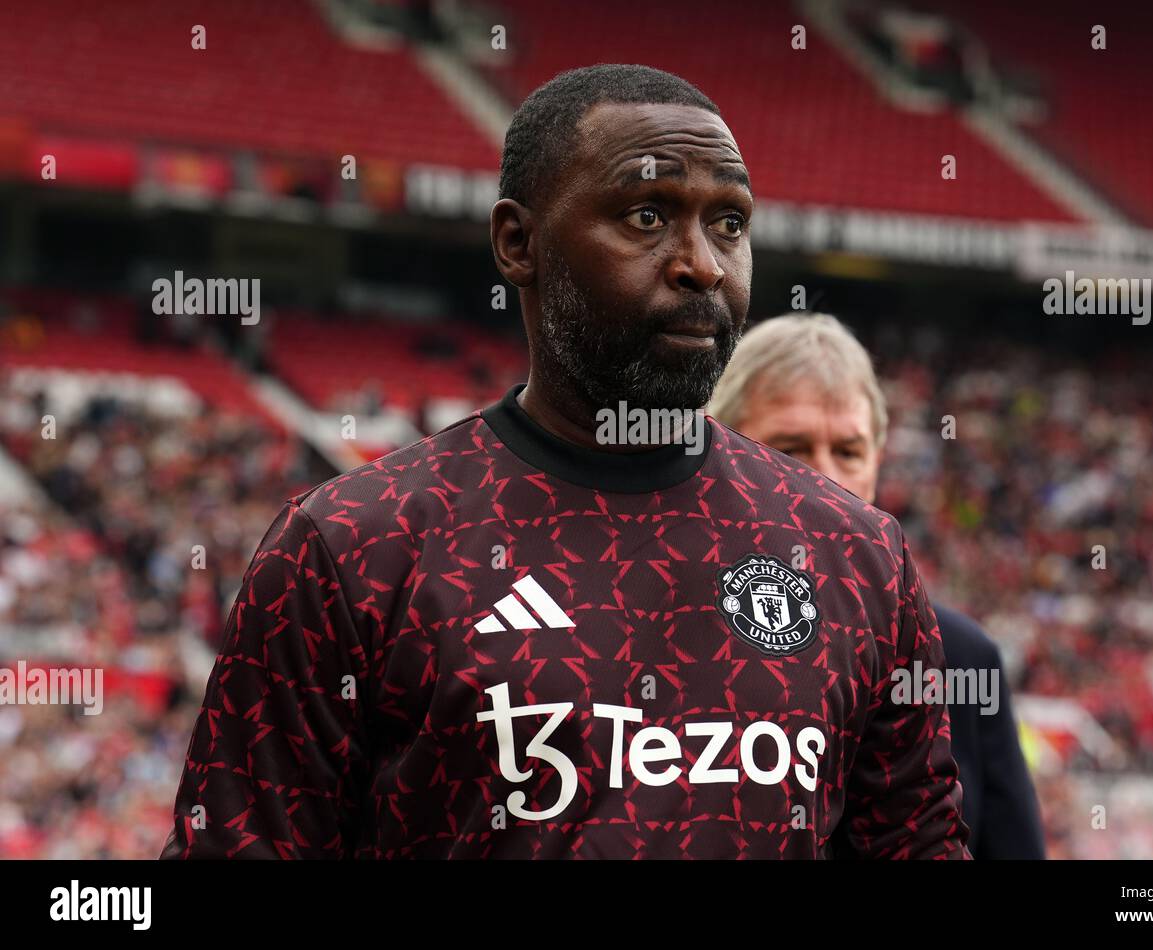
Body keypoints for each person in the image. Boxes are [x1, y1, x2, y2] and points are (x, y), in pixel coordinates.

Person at [161, 65, 969, 859]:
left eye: (729, 222)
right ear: (519, 243)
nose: (703, 264)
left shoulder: (855, 557)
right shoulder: (352, 550)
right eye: (648, 217)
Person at [708, 312, 1045, 858]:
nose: (826, 480)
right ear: (720, 458)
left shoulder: (960, 657)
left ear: (879, 461)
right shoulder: (673, 632)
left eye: (848, 451)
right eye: (790, 449)